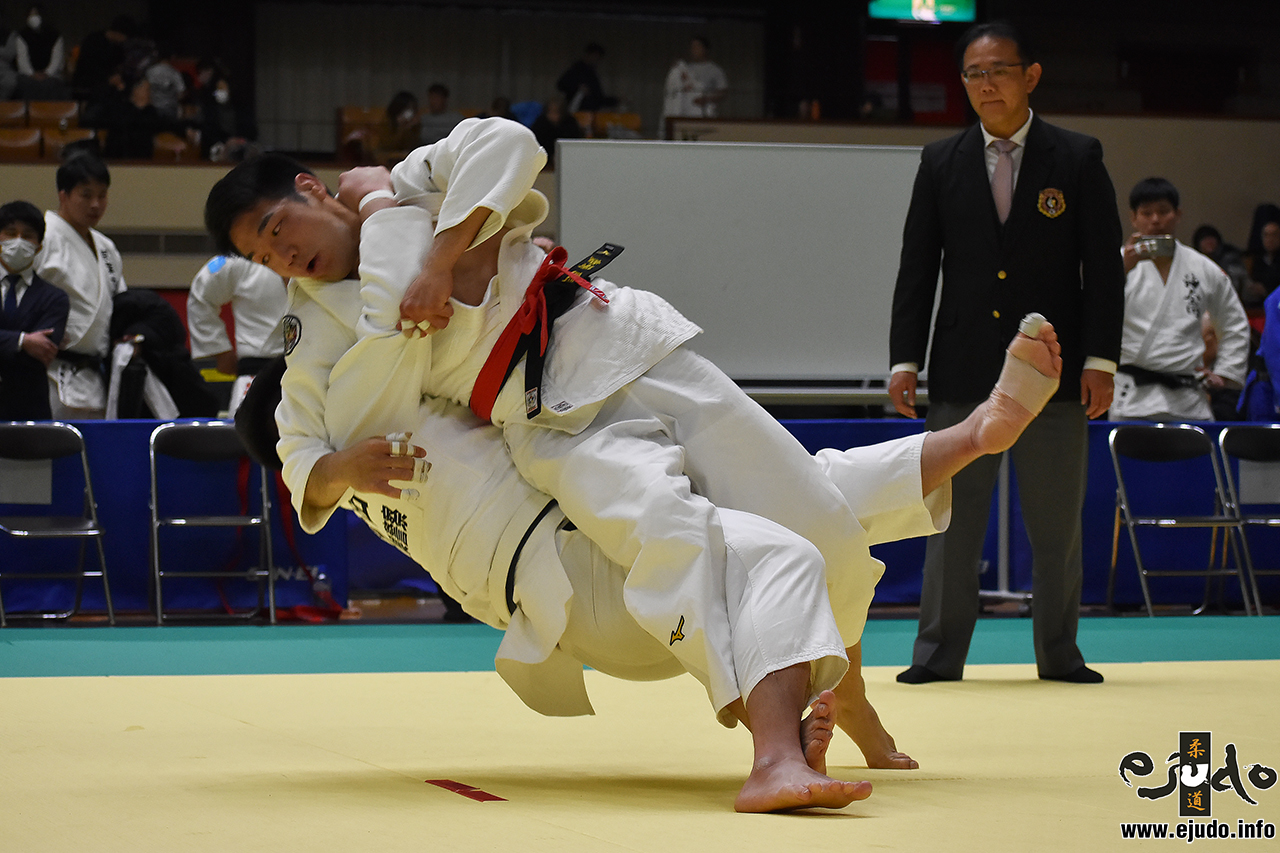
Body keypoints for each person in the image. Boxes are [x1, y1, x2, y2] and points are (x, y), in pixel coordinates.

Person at [205, 120, 926, 776]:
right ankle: (772, 746)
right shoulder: (317, 327)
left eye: (275, 228)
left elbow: (511, 145)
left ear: (308, 187)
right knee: (667, 529)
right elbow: (300, 443)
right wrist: (386, 227)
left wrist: (443, 251)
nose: (282, 256)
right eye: (261, 256)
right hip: (544, 420)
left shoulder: (409, 182)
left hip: (613, 338)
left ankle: (849, 699)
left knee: (810, 512)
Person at [231, 262, 1065, 812]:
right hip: (578, 573)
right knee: (778, 550)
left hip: (570, 581)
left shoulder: (337, 473)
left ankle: (969, 443)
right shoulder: (365, 420)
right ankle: (783, 745)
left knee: (800, 488)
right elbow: (402, 313)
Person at [887, 21, 1125, 685]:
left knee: (1056, 525)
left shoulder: (1076, 157)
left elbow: (1101, 271)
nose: (986, 84)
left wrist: (1100, 361)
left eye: (999, 70)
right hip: (963, 365)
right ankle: (937, 655)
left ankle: (1060, 653)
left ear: (1031, 76)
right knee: (950, 524)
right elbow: (918, 267)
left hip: (1053, 373)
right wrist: (905, 357)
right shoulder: (940, 161)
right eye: (973, 73)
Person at [1112, 178, 1250, 422]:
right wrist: (1119, 272)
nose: (1155, 219)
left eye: (1164, 211)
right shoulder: (1115, 264)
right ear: (1134, 217)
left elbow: (1234, 322)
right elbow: (1090, 314)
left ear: (1178, 215)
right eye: (1147, 213)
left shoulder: (1203, 268)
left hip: (1189, 400)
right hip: (1131, 398)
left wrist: (1226, 372)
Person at [35, 153, 126, 419]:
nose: (95, 204)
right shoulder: (43, 237)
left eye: (102, 195)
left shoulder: (107, 248)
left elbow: (119, 304)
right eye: (86, 195)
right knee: (51, 454)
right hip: (48, 372)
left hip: (94, 375)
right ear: (63, 196)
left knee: (91, 456)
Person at [0, 200, 68, 420]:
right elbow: (29, 350)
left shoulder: (55, 298)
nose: (18, 241)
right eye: (10, 233)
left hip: (29, 410)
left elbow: (40, 356)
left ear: (39, 245)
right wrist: (23, 341)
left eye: (27, 235)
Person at [186, 254, 287, 379]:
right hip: (255, 367)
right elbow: (201, 296)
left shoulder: (313, 256)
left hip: (310, 366)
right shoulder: (240, 257)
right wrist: (219, 349)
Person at [661, 36, 728, 125]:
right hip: (684, 113)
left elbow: (723, 91)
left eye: (697, 47)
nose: (694, 50)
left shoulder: (715, 69)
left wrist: (706, 99)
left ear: (705, 49)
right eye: (692, 47)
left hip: (704, 113)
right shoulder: (685, 68)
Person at [12, 4, 69, 100]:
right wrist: (32, 74)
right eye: (31, 15)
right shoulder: (22, 36)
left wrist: (47, 73)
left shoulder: (55, 35)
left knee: (51, 85)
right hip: (28, 75)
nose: (33, 18)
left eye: (36, 14)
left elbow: (57, 59)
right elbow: (22, 60)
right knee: (26, 84)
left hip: (51, 75)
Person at [556, 43, 619, 113]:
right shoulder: (576, 70)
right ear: (589, 55)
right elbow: (561, 85)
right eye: (595, 56)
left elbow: (598, 97)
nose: (596, 60)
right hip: (577, 111)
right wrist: (578, 87)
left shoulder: (592, 74)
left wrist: (616, 100)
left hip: (590, 112)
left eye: (598, 58)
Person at [1192, 224, 1248, 298]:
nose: (1209, 242)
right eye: (1205, 239)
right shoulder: (1193, 261)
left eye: (1211, 238)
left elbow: (1237, 284)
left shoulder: (1230, 259)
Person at [370, 90, 420, 167]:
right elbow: (387, 146)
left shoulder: (414, 124)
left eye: (411, 109)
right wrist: (400, 127)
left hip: (405, 160)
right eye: (407, 108)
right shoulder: (386, 121)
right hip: (385, 158)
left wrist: (408, 128)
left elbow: (411, 147)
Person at [530, 96, 583, 168]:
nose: (553, 115)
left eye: (556, 112)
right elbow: (536, 143)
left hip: (567, 158)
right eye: (551, 112)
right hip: (544, 158)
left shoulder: (570, 122)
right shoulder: (540, 123)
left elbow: (575, 143)